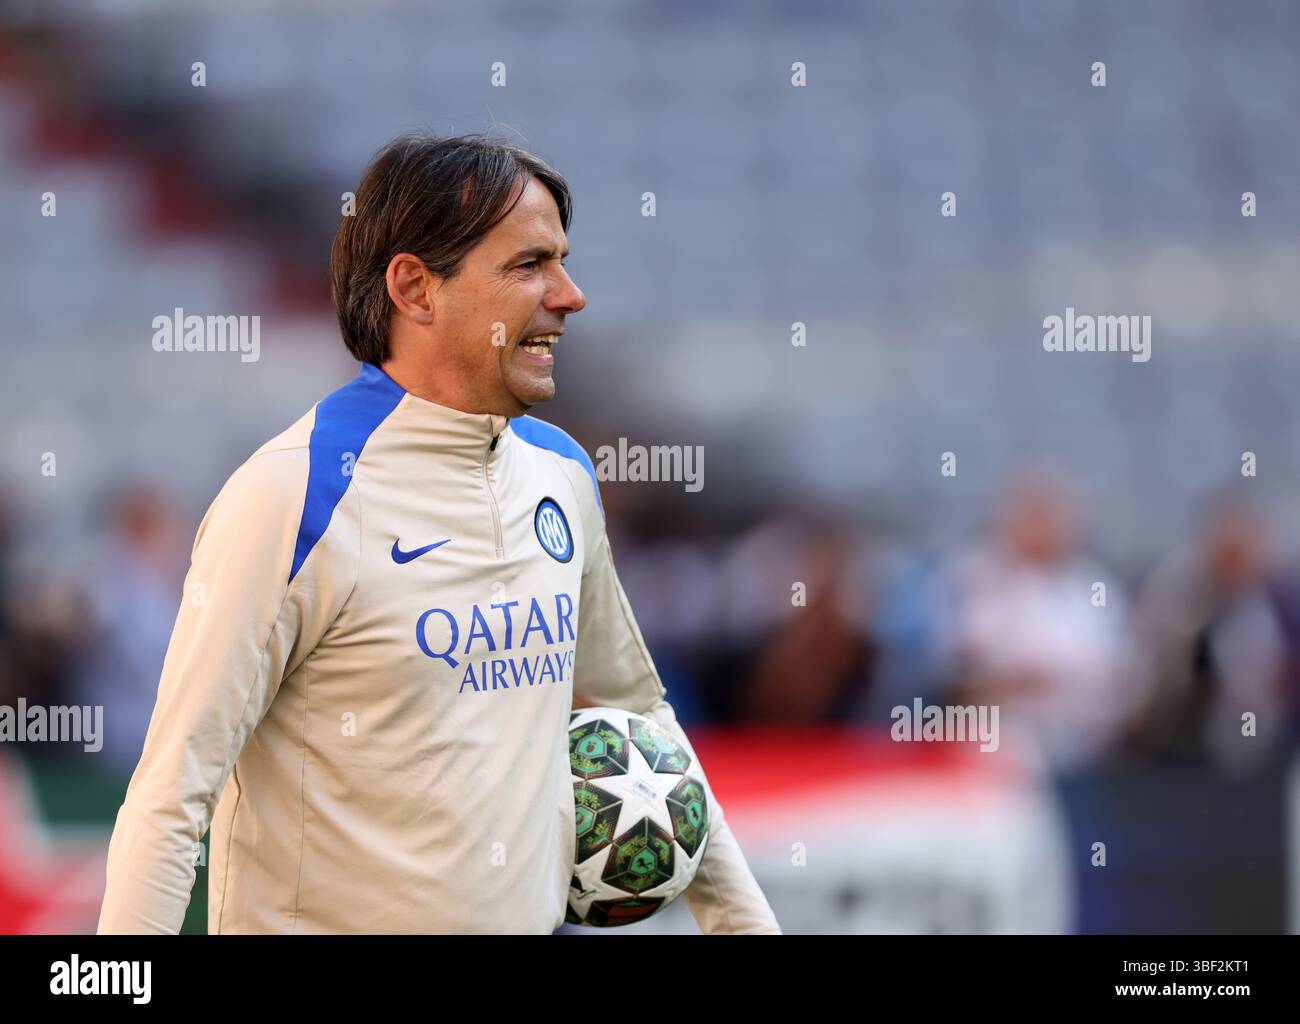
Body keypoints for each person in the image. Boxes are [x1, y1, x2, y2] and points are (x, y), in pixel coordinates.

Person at [97, 133, 780, 934]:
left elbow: (643, 725)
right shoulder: (291, 495)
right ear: (416, 289)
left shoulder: (560, 475)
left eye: (561, 261)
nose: (570, 294)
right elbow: (172, 795)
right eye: (530, 265)